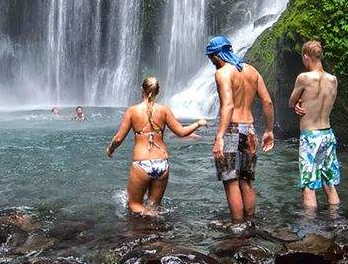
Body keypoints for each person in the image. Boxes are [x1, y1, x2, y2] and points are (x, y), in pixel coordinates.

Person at [106, 76, 207, 215]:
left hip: (142, 163)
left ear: (142, 89)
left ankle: (147, 224)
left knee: (134, 204)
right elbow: (181, 132)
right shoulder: (164, 110)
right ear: (158, 91)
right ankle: (156, 228)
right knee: (154, 206)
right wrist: (198, 123)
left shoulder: (132, 111)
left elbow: (118, 139)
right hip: (162, 163)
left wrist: (110, 149)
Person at [206, 35, 275, 223]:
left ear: (216, 55)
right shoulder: (252, 71)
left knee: (230, 181)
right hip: (250, 130)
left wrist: (219, 137)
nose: (211, 62)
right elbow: (268, 101)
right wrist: (269, 130)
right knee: (246, 180)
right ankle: (250, 224)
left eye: (211, 58)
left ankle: (237, 227)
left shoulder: (223, 73)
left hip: (231, 130)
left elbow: (227, 106)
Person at [289, 39, 341, 208]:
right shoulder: (333, 80)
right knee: (329, 182)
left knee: (309, 185)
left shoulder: (303, 78)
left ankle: (310, 229)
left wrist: (296, 105)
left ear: (306, 57)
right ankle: (335, 218)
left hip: (310, 136)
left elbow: (291, 102)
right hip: (327, 134)